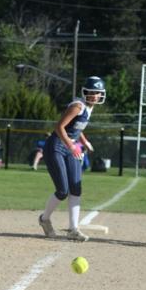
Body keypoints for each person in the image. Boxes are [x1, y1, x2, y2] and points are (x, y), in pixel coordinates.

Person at [38, 76, 105, 242]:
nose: (95, 96)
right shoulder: (78, 106)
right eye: (92, 92)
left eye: (98, 93)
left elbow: (76, 128)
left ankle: (73, 229)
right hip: (56, 146)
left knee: (76, 188)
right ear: (85, 92)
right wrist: (72, 146)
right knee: (62, 191)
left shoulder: (89, 108)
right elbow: (59, 126)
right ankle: (44, 219)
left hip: (70, 147)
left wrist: (84, 142)